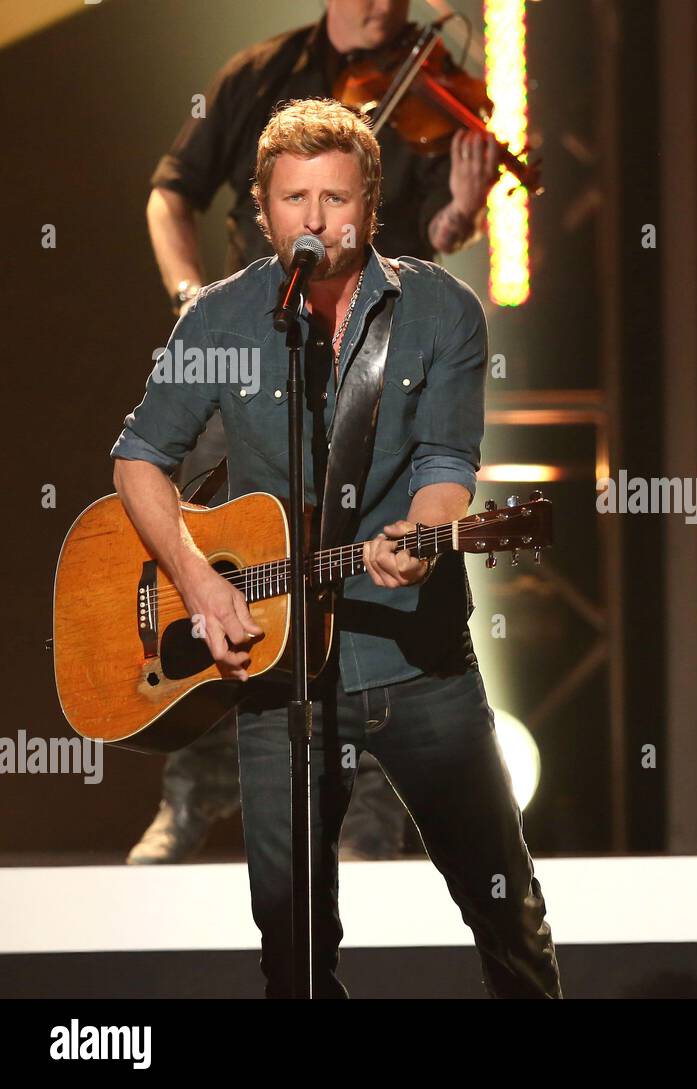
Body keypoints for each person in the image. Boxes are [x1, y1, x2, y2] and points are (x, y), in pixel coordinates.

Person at [111, 98, 559, 997]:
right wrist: (197, 580)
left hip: (416, 659)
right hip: (279, 676)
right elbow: (139, 459)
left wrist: (427, 535)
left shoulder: (440, 311)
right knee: (293, 946)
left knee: (503, 906)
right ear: (262, 206)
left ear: (372, 205)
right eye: (293, 198)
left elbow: (444, 458)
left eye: (336, 198)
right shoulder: (220, 320)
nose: (315, 220)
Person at [133, 0, 502, 864]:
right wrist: (190, 293)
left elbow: (434, 241)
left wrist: (459, 213)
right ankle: (187, 792)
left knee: (349, 577)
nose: (387, 7)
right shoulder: (258, 75)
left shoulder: (435, 94)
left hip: (373, 358)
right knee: (204, 548)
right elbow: (169, 193)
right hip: (252, 353)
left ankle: (367, 822)